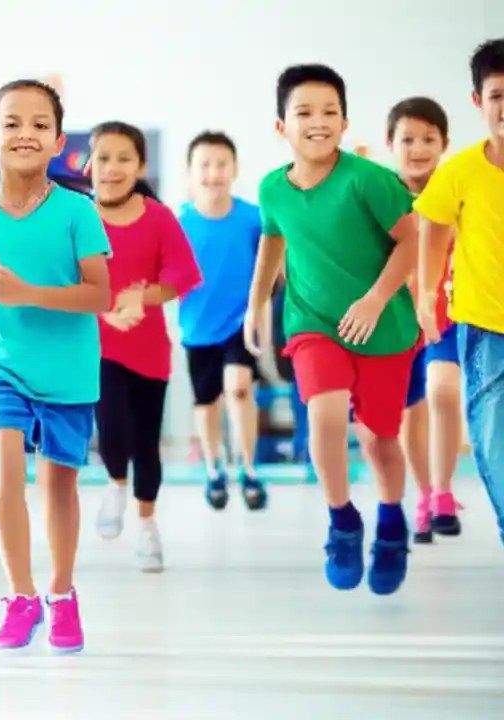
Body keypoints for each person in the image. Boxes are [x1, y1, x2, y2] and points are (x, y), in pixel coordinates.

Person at [0, 79, 110, 652]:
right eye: (12, 123)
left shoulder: (78, 212)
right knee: (5, 469)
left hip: (68, 368)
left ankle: (61, 595)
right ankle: (19, 594)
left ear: (59, 141)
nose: (25, 133)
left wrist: (26, 293)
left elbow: (98, 295)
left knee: (59, 483)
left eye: (40, 124)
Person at [245, 64, 419, 595]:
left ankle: (391, 523)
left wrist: (374, 299)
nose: (317, 122)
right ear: (282, 127)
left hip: (383, 328)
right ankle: (342, 520)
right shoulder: (272, 189)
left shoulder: (370, 181)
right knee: (323, 414)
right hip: (313, 322)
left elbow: (411, 243)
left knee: (379, 440)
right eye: (303, 113)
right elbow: (273, 243)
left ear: (345, 122)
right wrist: (256, 306)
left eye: (329, 113)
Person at [87, 121, 203, 573]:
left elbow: (182, 275)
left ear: (140, 165)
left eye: (123, 159)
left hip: (149, 349)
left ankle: (148, 528)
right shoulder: (79, 217)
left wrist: (143, 296)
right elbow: (63, 279)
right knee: (111, 430)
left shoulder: (158, 217)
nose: (112, 169)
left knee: (146, 443)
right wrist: (105, 310)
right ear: (88, 163)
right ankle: (115, 484)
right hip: (97, 346)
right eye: (103, 158)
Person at [414, 38, 504, 547]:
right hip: (485, 327)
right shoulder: (460, 172)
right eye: (496, 96)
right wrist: (427, 292)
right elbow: (432, 227)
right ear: (478, 102)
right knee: (493, 441)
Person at [384, 97, 462, 544]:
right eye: (407, 139)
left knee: (443, 391)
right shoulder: (381, 195)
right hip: (397, 323)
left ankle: (445, 492)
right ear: (390, 143)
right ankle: (425, 494)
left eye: (428, 139)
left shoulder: (454, 189)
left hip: (446, 317)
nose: (418, 148)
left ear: (444, 144)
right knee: (408, 416)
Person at [176, 131, 266, 511]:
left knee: (240, 387)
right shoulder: (178, 222)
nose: (213, 173)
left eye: (221, 164)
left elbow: (271, 270)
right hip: (197, 328)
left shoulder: (253, 218)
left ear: (234, 169)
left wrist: (261, 316)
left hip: (240, 324)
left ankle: (248, 469)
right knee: (207, 403)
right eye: (205, 165)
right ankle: (214, 471)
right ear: (191, 172)